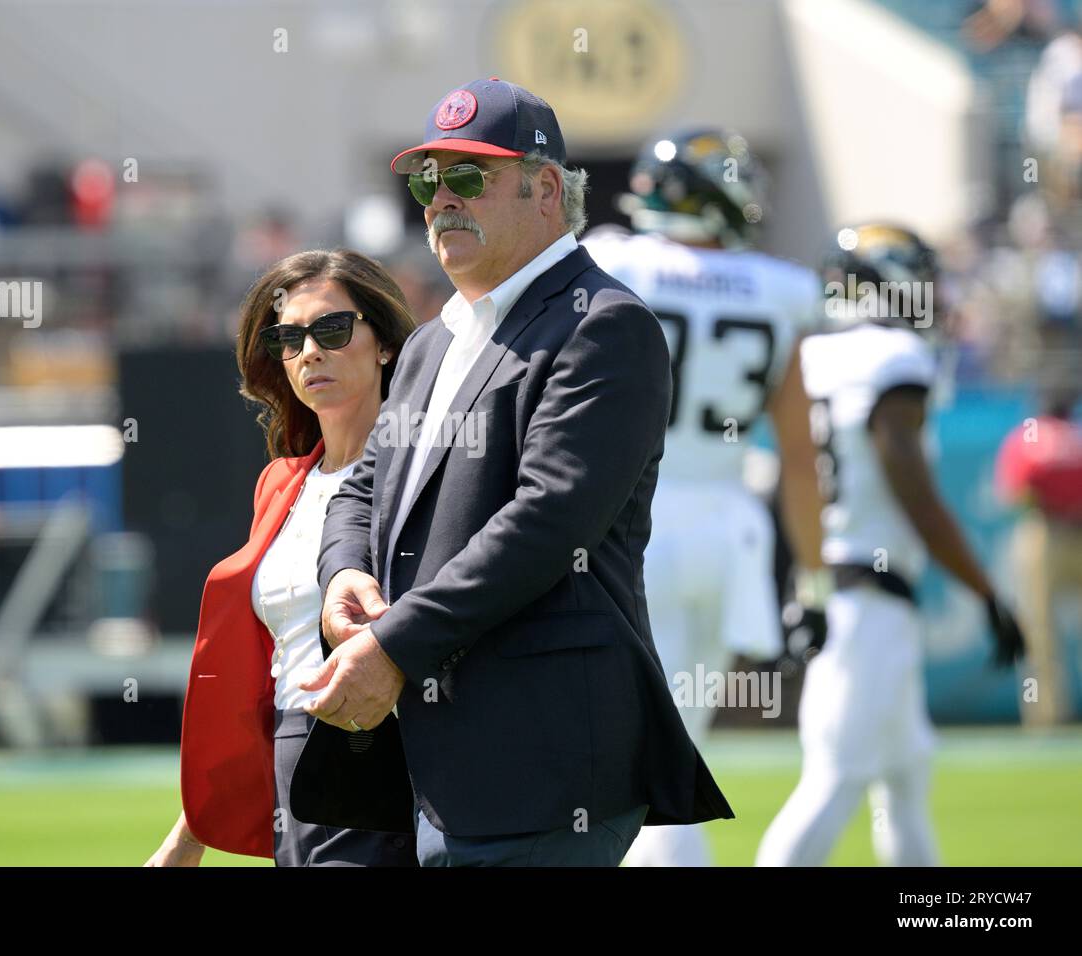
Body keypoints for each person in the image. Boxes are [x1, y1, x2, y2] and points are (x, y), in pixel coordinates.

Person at [302, 77, 733, 867]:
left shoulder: (607, 325)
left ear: (544, 190)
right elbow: (362, 485)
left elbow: (548, 522)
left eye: (467, 176)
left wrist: (393, 646)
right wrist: (342, 576)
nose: (440, 199)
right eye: (427, 179)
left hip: (545, 761)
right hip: (435, 764)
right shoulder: (433, 339)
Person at [583, 128, 824, 867]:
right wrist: (813, 579)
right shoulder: (783, 288)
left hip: (631, 525)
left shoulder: (614, 260)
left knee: (626, 766)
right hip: (727, 531)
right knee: (676, 744)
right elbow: (798, 453)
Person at [756, 224, 1026, 866]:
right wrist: (987, 594)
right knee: (837, 778)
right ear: (891, 280)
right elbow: (917, 497)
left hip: (836, 584)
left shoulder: (812, 354)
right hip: (867, 598)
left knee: (905, 776)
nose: (932, 292)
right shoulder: (895, 358)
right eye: (922, 277)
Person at [147, 249, 419, 867]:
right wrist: (185, 841)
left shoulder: (428, 472)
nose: (309, 352)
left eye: (331, 328)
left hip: (391, 765)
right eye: (287, 338)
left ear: (384, 344)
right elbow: (268, 670)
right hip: (292, 776)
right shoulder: (281, 482)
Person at [995, 386, 1082, 726]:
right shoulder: (1076, 438)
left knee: (1038, 631)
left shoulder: (1026, 440)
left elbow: (1014, 494)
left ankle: (1047, 715)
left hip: (1044, 532)